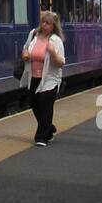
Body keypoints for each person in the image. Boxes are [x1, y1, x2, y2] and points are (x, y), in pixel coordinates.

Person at [21, 10, 66, 146]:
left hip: (50, 78)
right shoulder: (34, 34)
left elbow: (61, 63)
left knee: (45, 106)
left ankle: (41, 137)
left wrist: (52, 52)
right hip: (33, 77)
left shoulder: (56, 40)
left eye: (48, 23)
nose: (44, 25)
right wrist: (25, 54)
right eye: (43, 22)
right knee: (35, 105)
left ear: (53, 26)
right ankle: (49, 128)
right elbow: (26, 48)